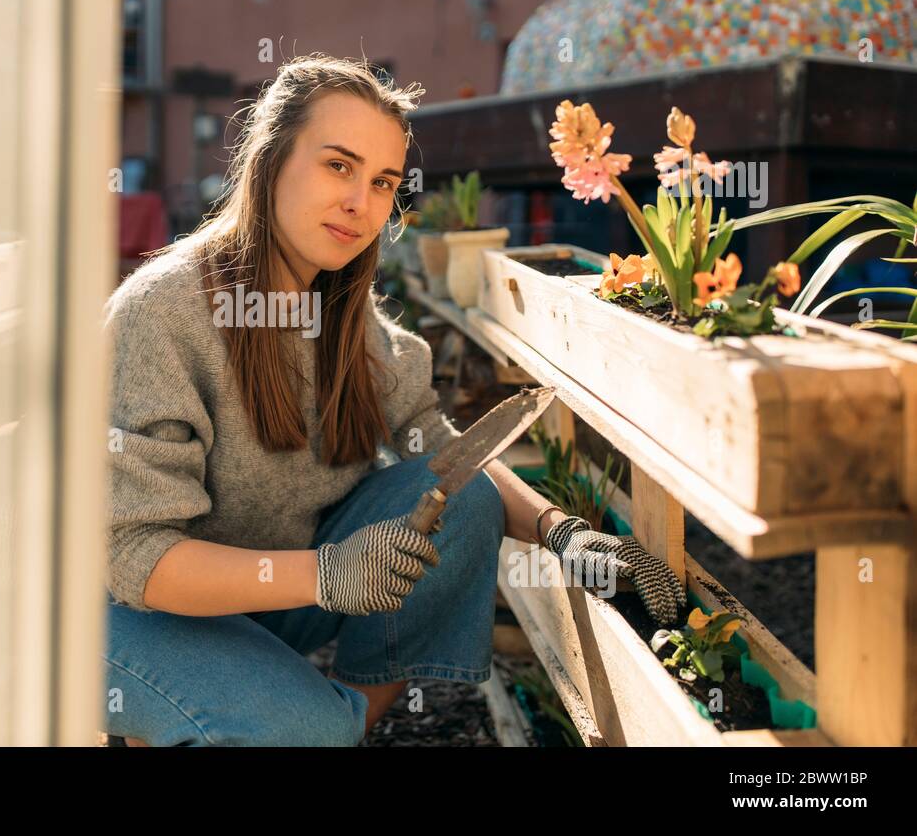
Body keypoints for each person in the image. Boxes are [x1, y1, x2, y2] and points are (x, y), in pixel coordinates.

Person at [100, 54, 685, 747]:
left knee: (463, 498)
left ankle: (320, 722)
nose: (361, 203)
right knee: (301, 728)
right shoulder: (161, 314)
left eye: (382, 182)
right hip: (120, 616)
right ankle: (242, 720)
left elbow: (445, 454)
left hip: (259, 599)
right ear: (270, 162)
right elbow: (135, 556)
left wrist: (564, 531)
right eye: (338, 166)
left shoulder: (348, 324)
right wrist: (326, 573)